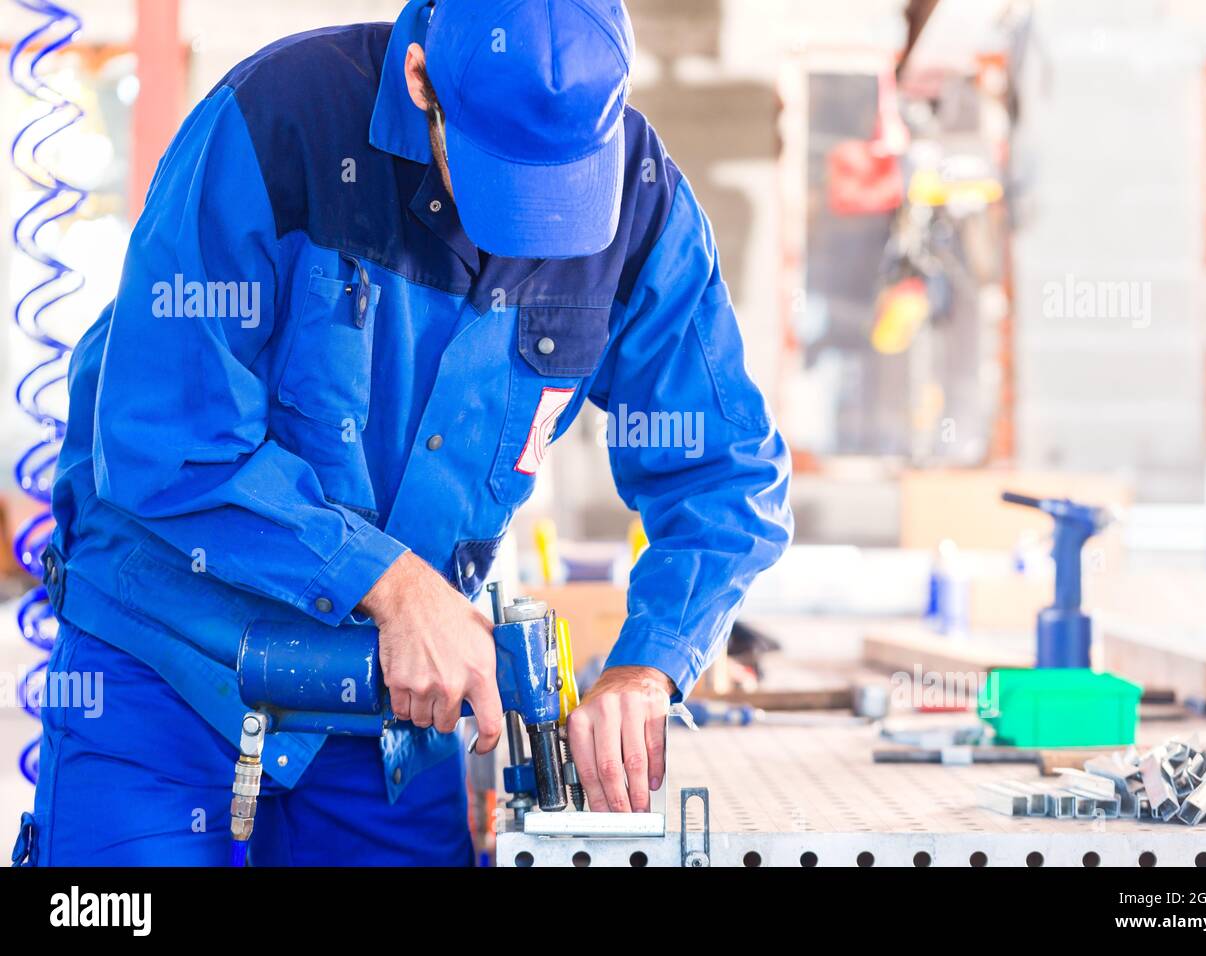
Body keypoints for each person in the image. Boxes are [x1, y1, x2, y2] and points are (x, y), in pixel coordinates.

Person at [13, 0, 791, 866]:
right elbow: (166, 439)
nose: (532, 234)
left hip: (390, 716)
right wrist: (391, 584)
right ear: (420, 81)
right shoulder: (275, 125)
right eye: (502, 176)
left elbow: (725, 475)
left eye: (562, 187)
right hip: (167, 680)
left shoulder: (643, 209)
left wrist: (650, 664)